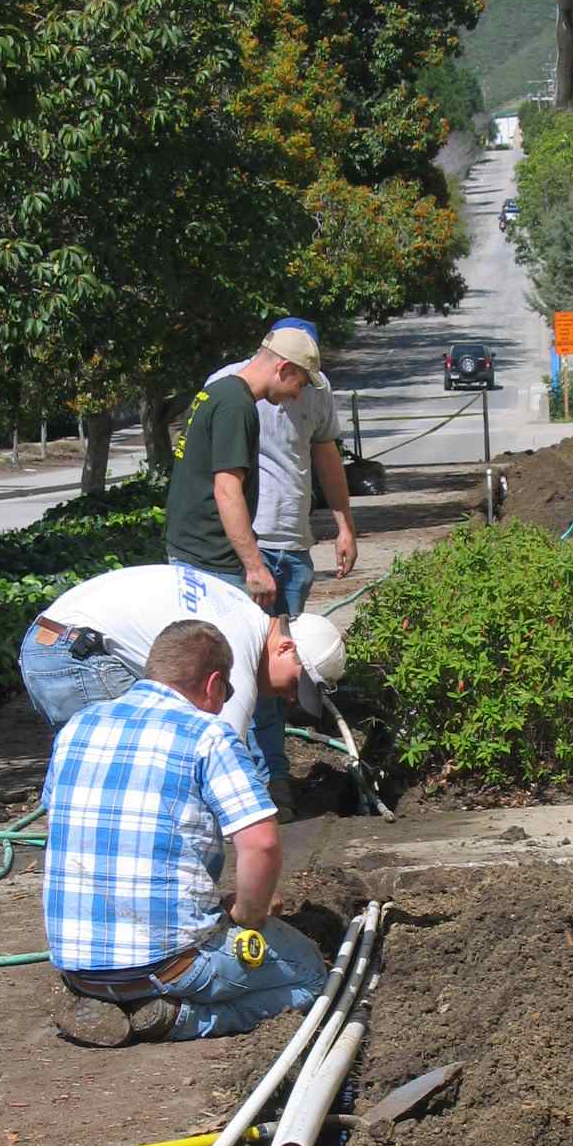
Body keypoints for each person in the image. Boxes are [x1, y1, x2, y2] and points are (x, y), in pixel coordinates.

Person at [41, 620, 328, 1046]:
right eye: (226, 693)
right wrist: (249, 914)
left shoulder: (79, 725)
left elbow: (62, 825)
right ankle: (176, 1018)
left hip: (78, 963)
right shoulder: (207, 735)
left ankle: (104, 999)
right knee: (312, 977)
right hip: (171, 966)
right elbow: (261, 842)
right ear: (213, 684)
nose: (223, 704)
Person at [202, 318, 359, 818]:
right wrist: (245, 558)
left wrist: (343, 523)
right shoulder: (227, 389)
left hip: (293, 549)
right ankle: (250, 785)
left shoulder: (316, 388)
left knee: (279, 675)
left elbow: (326, 454)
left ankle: (272, 780)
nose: (296, 393)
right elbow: (217, 478)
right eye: (297, 377)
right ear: (281, 362)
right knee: (238, 672)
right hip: (251, 549)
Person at [17, 563, 347, 758]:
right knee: (130, 765)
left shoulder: (241, 612)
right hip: (72, 653)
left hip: (56, 641)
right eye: (294, 683)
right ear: (285, 648)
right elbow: (220, 752)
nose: (290, 697)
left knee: (120, 762)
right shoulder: (236, 647)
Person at [165, 324, 324, 613]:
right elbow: (227, 489)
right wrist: (255, 567)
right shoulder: (237, 406)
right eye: (300, 383)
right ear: (284, 368)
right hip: (212, 562)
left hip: (192, 554)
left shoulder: (216, 392)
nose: (298, 395)